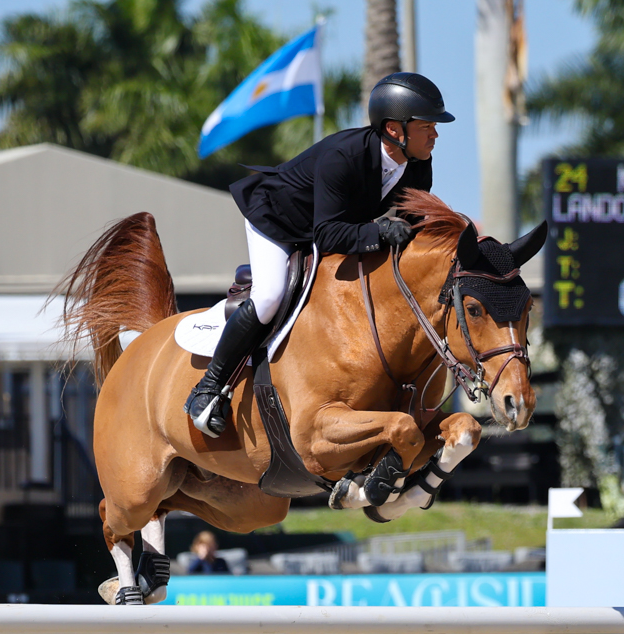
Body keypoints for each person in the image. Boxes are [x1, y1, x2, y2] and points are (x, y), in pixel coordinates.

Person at [185, 72, 455, 438]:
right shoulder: (343, 156)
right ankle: (207, 389)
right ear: (394, 130)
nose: (435, 135)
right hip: (277, 221)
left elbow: (412, 228)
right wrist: (378, 231)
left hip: (325, 228)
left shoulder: (419, 164)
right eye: (427, 127)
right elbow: (327, 233)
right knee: (269, 297)